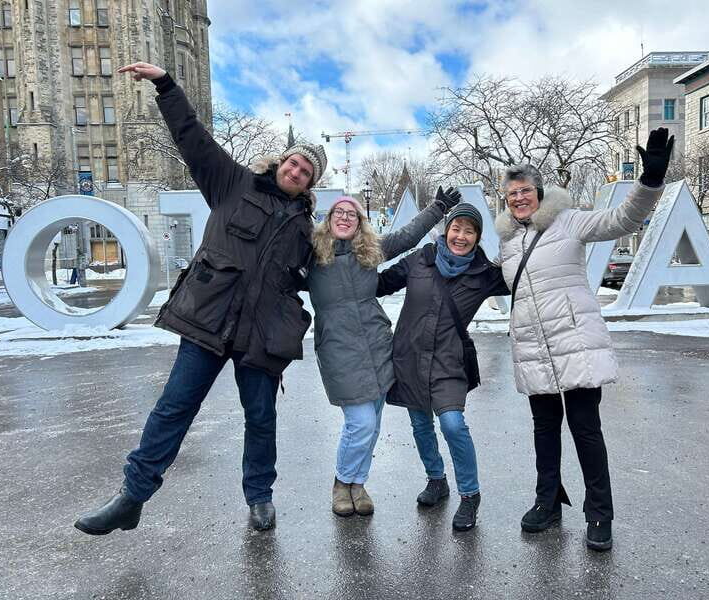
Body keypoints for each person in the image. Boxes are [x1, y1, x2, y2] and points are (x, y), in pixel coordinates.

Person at [74, 62, 327, 534]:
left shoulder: (307, 230)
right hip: (208, 323)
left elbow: (336, 272)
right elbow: (191, 136)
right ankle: (132, 496)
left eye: (306, 170)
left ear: (310, 184)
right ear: (280, 162)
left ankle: (259, 498)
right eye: (293, 162)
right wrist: (166, 85)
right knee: (173, 408)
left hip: (260, 338)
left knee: (261, 418)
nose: (296, 170)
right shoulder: (231, 182)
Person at [495, 127, 674, 551]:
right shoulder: (507, 243)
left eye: (525, 191)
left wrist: (649, 183)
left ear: (539, 192)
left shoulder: (569, 221)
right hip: (534, 348)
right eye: (511, 194)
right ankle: (548, 502)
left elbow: (622, 219)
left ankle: (600, 515)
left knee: (586, 431)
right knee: (544, 432)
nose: (519, 198)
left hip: (575, 343)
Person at [307, 188, 461, 517]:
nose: (345, 218)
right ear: (328, 220)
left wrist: (438, 208)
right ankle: (342, 482)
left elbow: (407, 236)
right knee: (359, 422)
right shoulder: (312, 254)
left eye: (352, 214)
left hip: (378, 344)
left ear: (360, 222)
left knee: (372, 423)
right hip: (339, 348)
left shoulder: (369, 251)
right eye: (339, 213)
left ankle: (357, 484)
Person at [376, 203, 510, 531]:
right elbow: (378, 285)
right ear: (446, 229)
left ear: (478, 237)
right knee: (421, 425)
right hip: (408, 357)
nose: (461, 236)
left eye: (469, 231)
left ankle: (469, 495)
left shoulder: (483, 274)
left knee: (452, 424)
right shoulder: (420, 261)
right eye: (456, 228)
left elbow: (526, 275)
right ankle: (436, 480)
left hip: (449, 362)